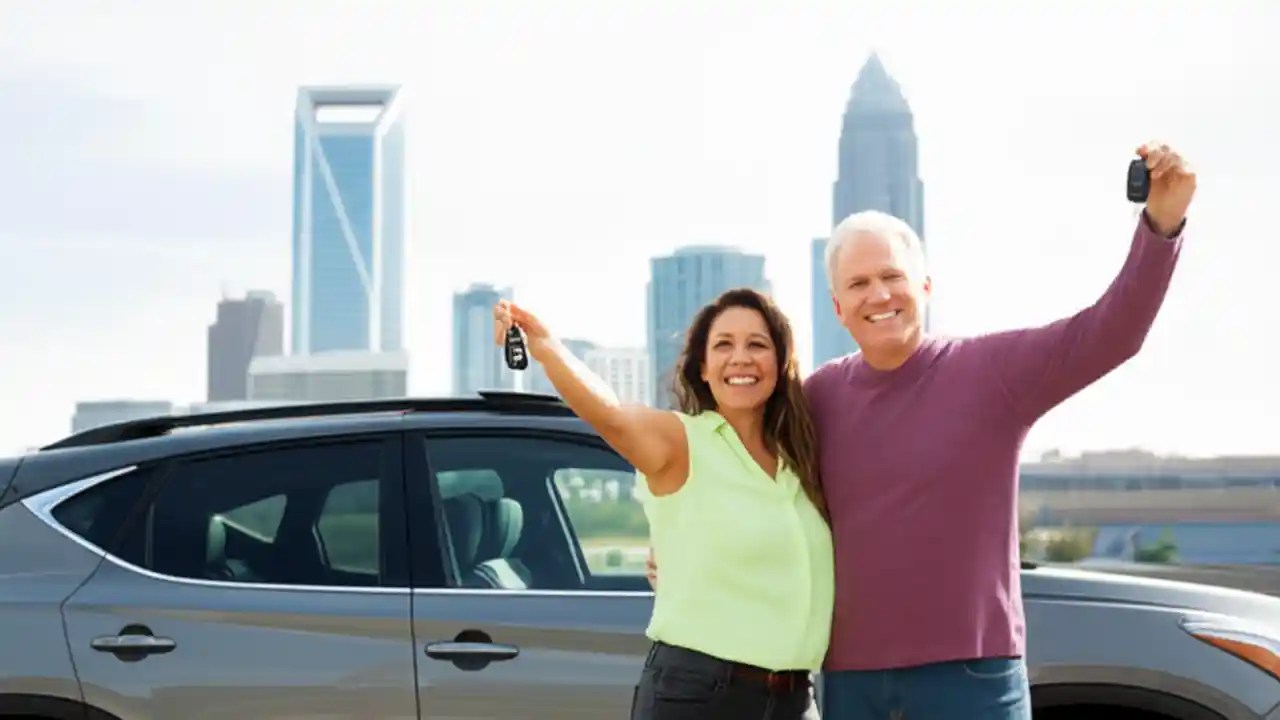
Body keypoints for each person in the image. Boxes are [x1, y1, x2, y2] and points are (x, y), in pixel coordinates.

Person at [804, 141, 1196, 719]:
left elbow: (1111, 332)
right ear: (838, 307)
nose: (879, 294)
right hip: (850, 685)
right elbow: (744, 477)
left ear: (926, 287)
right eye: (859, 284)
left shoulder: (989, 374)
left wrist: (1161, 226)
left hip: (973, 680)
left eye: (892, 276)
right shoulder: (816, 398)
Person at [493, 288, 833, 720]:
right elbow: (611, 415)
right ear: (703, 368)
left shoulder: (799, 459)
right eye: (723, 345)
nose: (741, 358)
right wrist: (547, 348)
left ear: (780, 363)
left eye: (758, 345)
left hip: (794, 698)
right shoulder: (680, 441)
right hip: (701, 697)